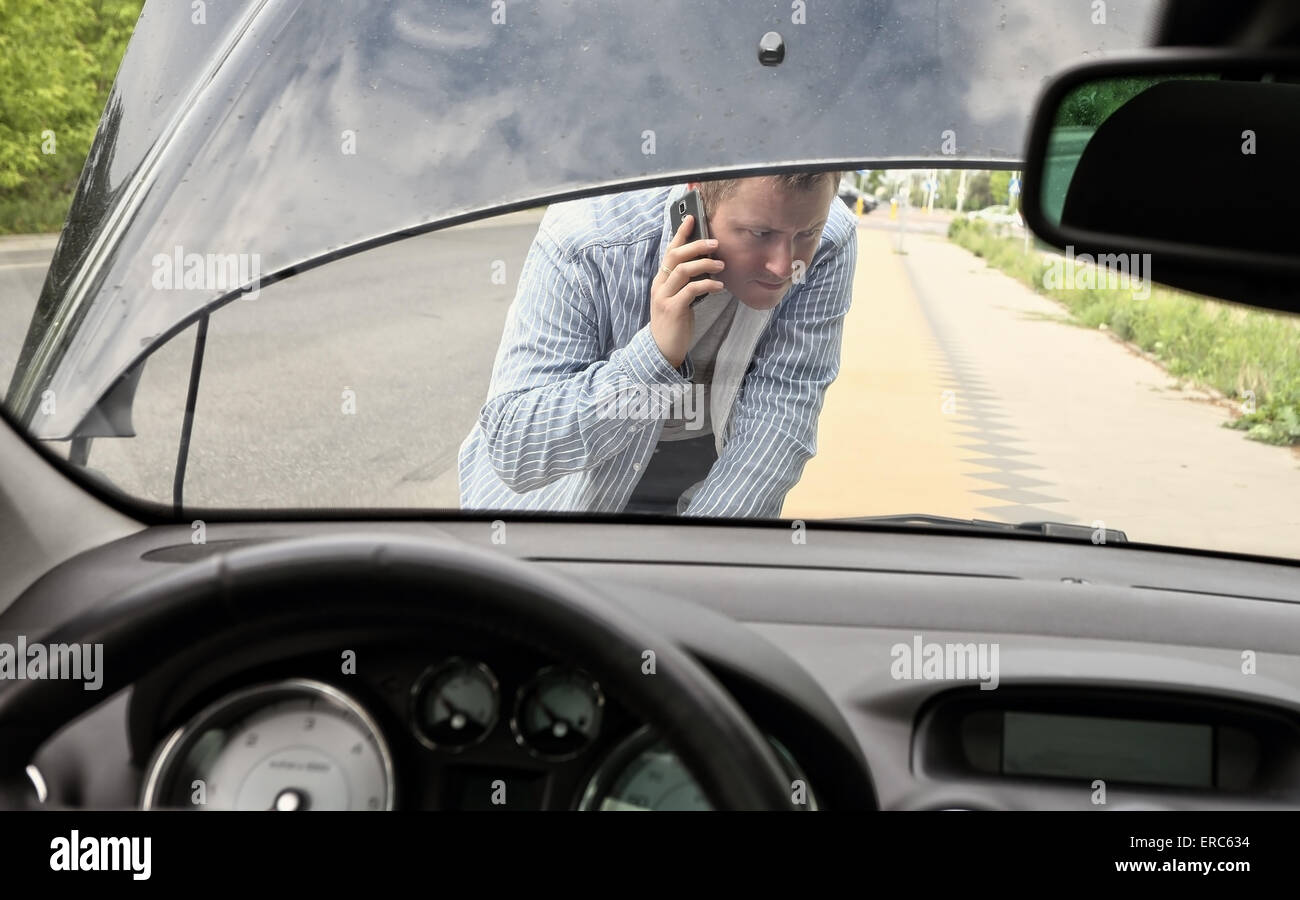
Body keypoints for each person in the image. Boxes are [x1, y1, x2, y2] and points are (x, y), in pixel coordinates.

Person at [457, 171, 857, 517]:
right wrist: (655, 359)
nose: (784, 266)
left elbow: (781, 414)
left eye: (806, 233)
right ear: (696, 194)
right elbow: (515, 449)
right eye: (759, 233)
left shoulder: (831, 241)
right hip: (555, 506)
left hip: (709, 476)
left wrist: (695, 560)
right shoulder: (590, 236)